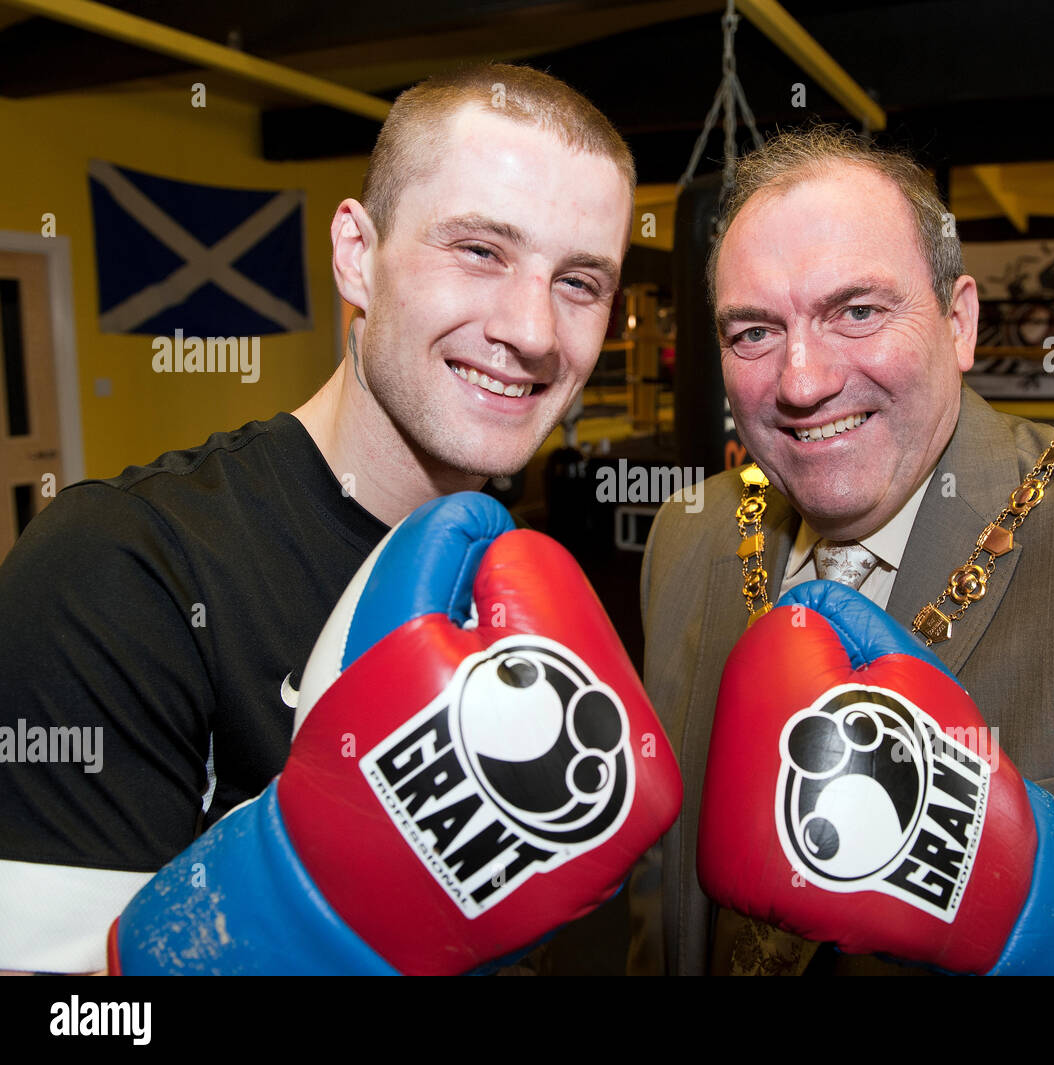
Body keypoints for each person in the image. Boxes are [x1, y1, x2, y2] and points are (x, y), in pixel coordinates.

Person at [0, 63, 636, 973]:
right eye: (481, 250)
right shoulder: (120, 570)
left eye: (578, 281)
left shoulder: (519, 589)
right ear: (355, 255)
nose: (533, 330)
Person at [631, 127, 1054, 975]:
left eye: (858, 312)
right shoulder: (688, 532)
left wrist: (1052, 914)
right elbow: (662, 893)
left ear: (958, 322)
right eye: (754, 332)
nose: (801, 382)